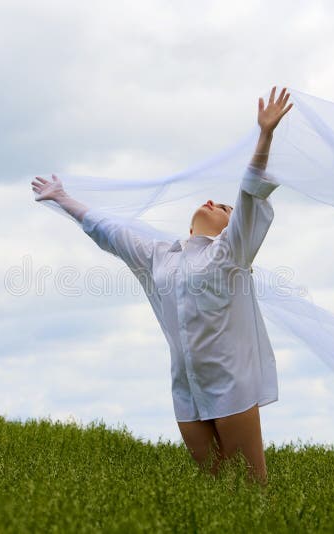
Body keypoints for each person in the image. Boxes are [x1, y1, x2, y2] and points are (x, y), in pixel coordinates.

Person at [31, 86, 294, 485]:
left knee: (252, 488)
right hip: (187, 391)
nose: (214, 203)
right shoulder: (159, 257)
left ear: (230, 226)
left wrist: (265, 136)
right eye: (214, 202)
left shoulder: (229, 252)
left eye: (223, 208)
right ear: (188, 227)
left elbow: (248, 197)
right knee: (215, 489)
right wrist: (63, 198)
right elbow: (110, 232)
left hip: (230, 386)